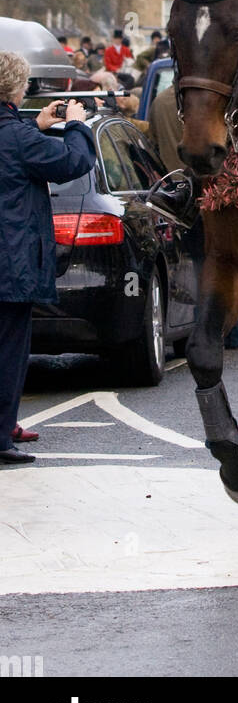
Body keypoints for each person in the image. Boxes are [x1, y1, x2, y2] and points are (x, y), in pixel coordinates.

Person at [0, 53, 95, 463]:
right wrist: (75, 123)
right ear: (16, 89)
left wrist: (33, 124)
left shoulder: (16, 133)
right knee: (9, 351)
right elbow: (73, 162)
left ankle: (6, 423)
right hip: (10, 263)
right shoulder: (19, 139)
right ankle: (1, 438)